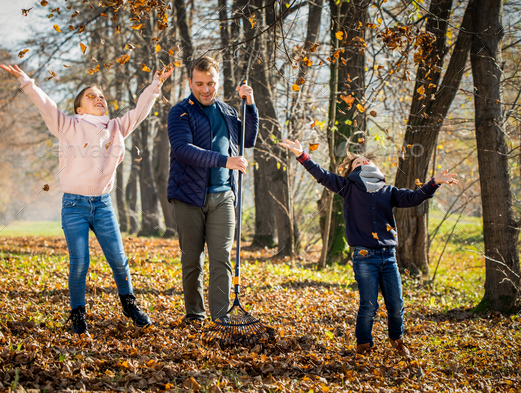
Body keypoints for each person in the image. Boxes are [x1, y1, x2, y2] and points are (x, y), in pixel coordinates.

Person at [0, 63, 173, 336]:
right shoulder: (68, 126)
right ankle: (77, 313)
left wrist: (155, 85)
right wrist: (25, 79)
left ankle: (129, 304)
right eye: (91, 96)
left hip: (103, 205)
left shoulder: (116, 127)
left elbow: (140, 111)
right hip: (74, 206)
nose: (98, 98)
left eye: (101, 95)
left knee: (118, 259)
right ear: (80, 108)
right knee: (80, 262)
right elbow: (44, 103)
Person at [279, 139, 458, 357]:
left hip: (389, 257)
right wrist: (302, 155)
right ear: (351, 171)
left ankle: (397, 340)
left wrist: (434, 182)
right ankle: (364, 345)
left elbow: (413, 198)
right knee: (369, 305)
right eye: (356, 162)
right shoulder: (347, 187)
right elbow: (322, 175)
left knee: (396, 304)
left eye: (365, 159)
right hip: (364, 257)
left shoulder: (388, 191)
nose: (362, 161)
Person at [167, 56, 259, 323]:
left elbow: (248, 139)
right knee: (192, 262)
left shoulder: (229, 112)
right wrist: (224, 161)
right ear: (190, 82)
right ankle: (195, 315)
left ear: (218, 82)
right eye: (199, 84)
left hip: (223, 196)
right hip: (188, 197)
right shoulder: (180, 112)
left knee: (221, 258)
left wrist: (249, 105)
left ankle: (221, 316)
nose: (205, 89)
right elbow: (183, 150)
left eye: (211, 83)